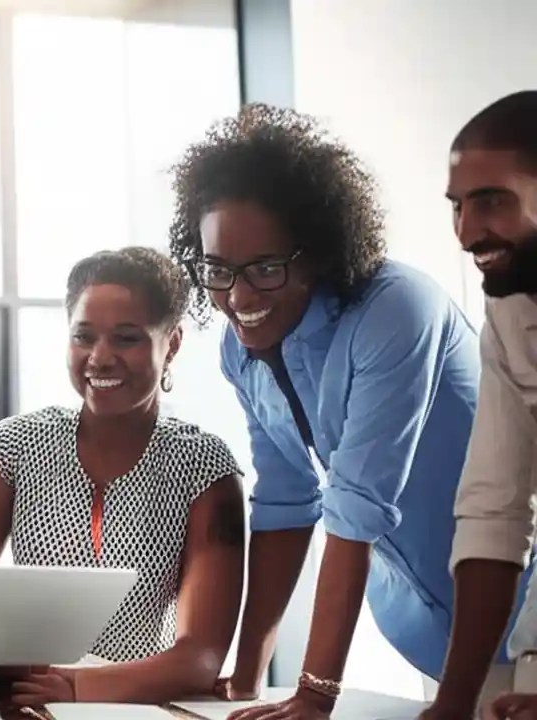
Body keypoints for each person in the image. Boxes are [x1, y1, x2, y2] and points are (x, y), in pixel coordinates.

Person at [167, 104, 490, 719]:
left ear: (314, 253)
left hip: (523, 610)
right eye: (218, 270)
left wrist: (315, 695)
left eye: (265, 268)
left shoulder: (397, 310)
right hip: (431, 633)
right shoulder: (241, 350)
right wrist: (246, 674)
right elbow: (286, 499)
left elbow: (356, 503)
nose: (238, 297)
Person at [0, 247, 245, 705]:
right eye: (84, 337)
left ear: (172, 343)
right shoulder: (13, 446)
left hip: (138, 709)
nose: (100, 358)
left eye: (126, 338)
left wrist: (75, 687)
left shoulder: (204, 467)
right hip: (26, 704)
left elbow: (200, 658)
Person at [422, 92, 537, 720]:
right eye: (457, 207)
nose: (467, 233)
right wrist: (451, 706)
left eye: (491, 200)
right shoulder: (510, 311)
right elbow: (495, 506)